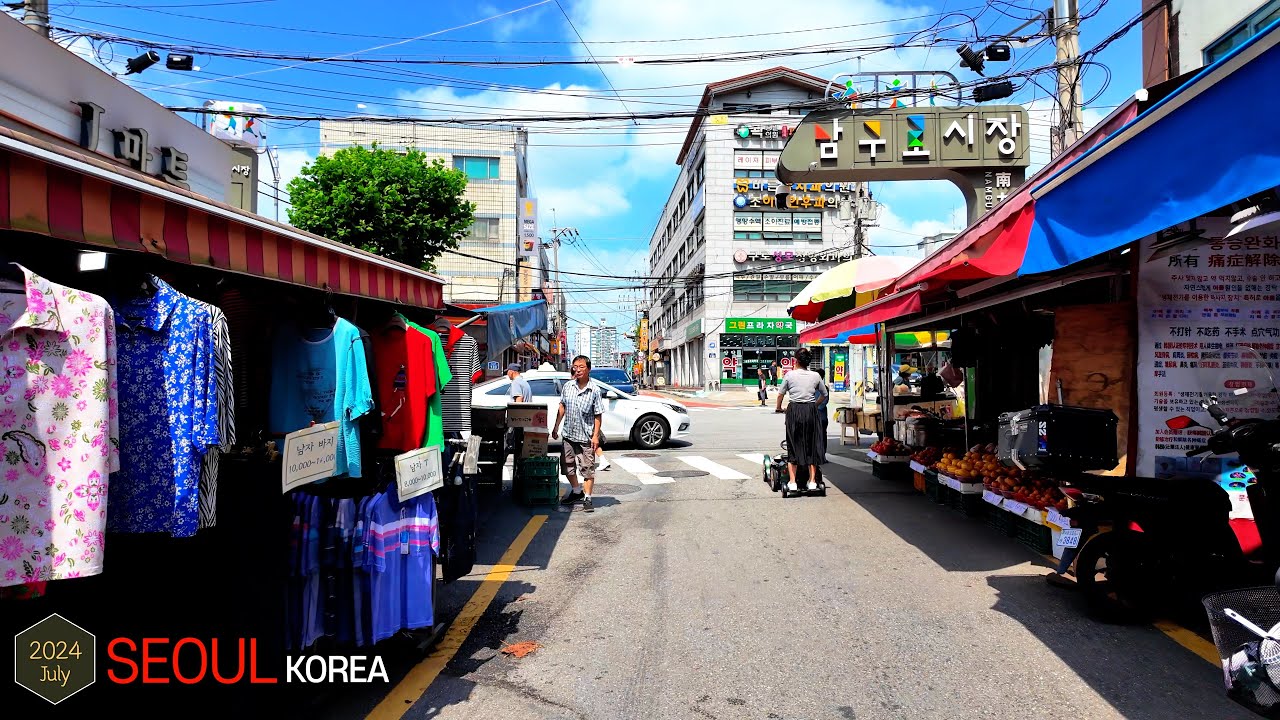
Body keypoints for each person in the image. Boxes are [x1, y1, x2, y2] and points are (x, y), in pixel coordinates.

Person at [552, 355, 604, 513]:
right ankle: (576, 491)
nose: (578, 370)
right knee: (567, 466)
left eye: (582, 367)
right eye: (575, 366)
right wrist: (556, 427)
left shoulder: (594, 390)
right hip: (568, 434)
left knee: (587, 469)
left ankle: (588, 498)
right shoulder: (568, 386)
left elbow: (598, 415)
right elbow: (562, 407)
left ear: (589, 369)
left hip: (586, 437)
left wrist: (595, 436)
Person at [774, 348, 828, 492]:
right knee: (811, 444)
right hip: (810, 411)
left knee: (793, 444)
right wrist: (814, 405)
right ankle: (812, 482)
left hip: (795, 410)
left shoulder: (790, 375)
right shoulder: (816, 375)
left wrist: (778, 408)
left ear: (796, 361)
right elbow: (824, 394)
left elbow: (780, 394)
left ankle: (792, 482)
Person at [815, 368, 830, 457]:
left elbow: (823, 404)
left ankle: (821, 455)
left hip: (821, 417)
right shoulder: (811, 387)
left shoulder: (824, 388)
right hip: (815, 417)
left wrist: (813, 406)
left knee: (822, 436)